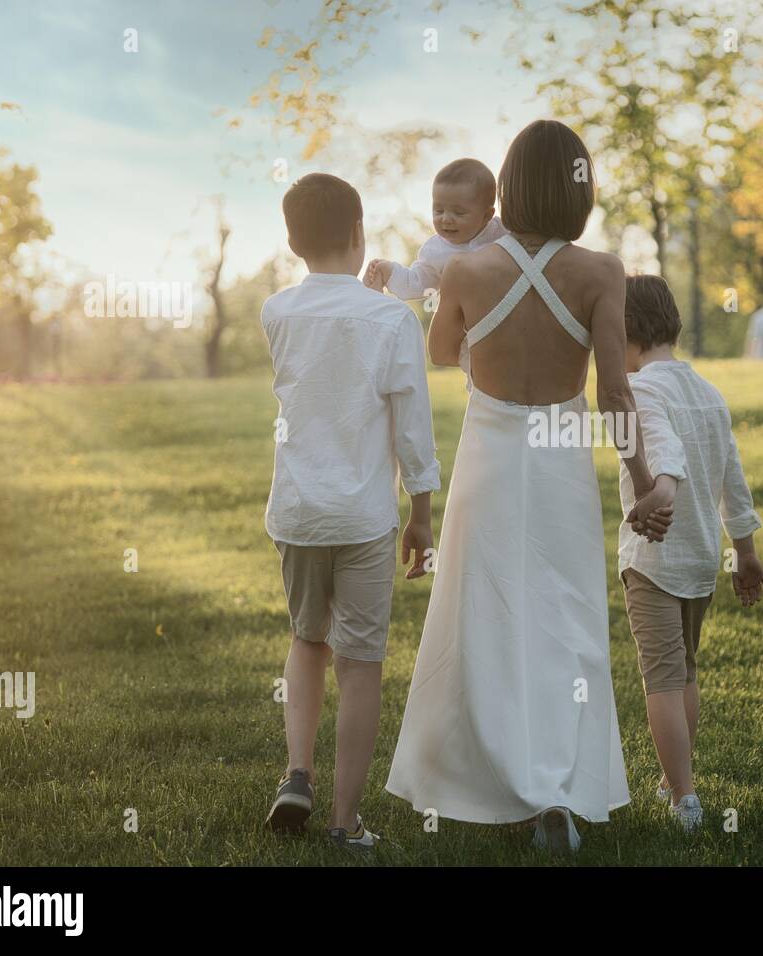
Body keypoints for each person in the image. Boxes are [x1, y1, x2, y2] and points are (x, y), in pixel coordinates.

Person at [385, 120, 672, 853]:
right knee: (565, 617)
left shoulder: (465, 272)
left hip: (491, 448)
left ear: (505, 190)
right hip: (561, 454)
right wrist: (643, 483)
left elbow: (443, 350)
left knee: (483, 611)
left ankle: (500, 783)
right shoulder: (602, 271)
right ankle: (559, 789)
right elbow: (615, 392)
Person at [260, 173, 441, 854]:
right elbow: (412, 427)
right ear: (360, 232)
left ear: (291, 241)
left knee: (308, 641)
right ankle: (345, 819)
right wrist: (420, 514)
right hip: (365, 516)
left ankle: (297, 772)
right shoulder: (393, 318)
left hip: (298, 512)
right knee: (360, 662)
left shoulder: (276, 311)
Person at [618, 275, 763, 832]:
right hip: (703, 560)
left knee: (660, 678)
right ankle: (671, 782)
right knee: (684, 672)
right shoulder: (708, 392)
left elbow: (664, 449)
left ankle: (684, 798)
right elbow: (735, 479)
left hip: (654, 560)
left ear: (622, 334)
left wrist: (662, 489)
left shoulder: (642, 391)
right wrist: (745, 552)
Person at [365, 158, 507, 388]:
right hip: (473, 337)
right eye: (438, 210)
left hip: (513, 321)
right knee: (484, 385)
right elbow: (416, 282)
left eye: (459, 213)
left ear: (487, 215)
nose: (445, 219)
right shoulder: (436, 251)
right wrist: (389, 271)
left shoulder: (503, 231)